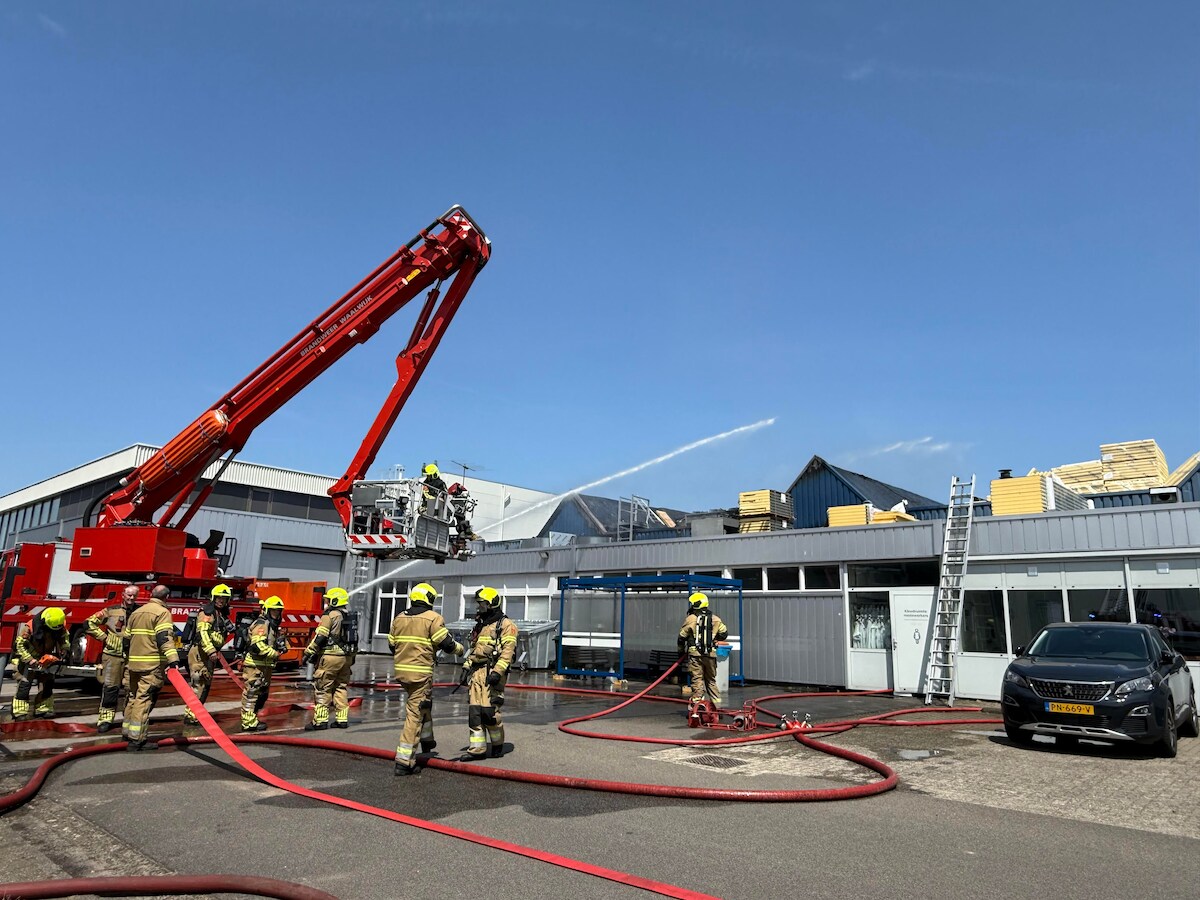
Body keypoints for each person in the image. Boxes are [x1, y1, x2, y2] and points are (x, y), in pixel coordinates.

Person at [387, 582, 463, 776]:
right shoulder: (433, 618)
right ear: (429, 599)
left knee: (423, 705)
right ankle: (404, 762)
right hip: (420, 674)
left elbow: (391, 645)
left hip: (401, 673)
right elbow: (446, 643)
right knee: (414, 713)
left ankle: (427, 740)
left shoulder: (399, 618)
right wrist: (460, 649)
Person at [459, 586, 518, 762]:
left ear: (492, 604)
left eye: (482, 604)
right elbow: (474, 650)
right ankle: (477, 749)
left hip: (492, 672)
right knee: (475, 713)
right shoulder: (481, 625)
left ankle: (497, 744)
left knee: (489, 712)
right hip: (477, 673)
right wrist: (465, 668)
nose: (479, 608)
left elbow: (507, 652)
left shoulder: (506, 625)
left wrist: (497, 672)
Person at [122, 585, 182, 750]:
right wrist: (173, 660)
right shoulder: (162, 613)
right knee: (144, 700)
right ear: (166, 597)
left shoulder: (136, 612)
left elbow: (126, 639)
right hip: (151, 665)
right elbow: (164, 638)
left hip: (133, 663)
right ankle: (137, 740)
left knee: (133, 697)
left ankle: (127, 733)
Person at [86, 585, 140, 732]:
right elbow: (89, 623)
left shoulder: (140, 612)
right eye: (128, 595)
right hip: (112, 656)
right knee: (110, 688)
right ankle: (105, 719)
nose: (131, 598)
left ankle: (128, 718)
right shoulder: (110, 611)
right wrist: (103, 637)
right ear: (123, 595)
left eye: (134, 595)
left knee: (132, 689)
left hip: (132, 656)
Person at [302, 587, 357, 730]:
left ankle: (320, 721)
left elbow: (321, 636)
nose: (326, 603)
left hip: (330, 658)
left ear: (334, 600)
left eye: (328, 600)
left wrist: (308, 652)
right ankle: (342, 719)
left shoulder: (330, 615)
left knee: (323, 688)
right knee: (341, 687)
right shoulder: (349, 616)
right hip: (346, 658)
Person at [181, 583, 234, 725]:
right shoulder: (207, 613)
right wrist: (211, 650)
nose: (221, 601)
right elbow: (202, 633)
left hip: (209, 653)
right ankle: (191, 716)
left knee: (205, 684)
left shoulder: (220, 614)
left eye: (224, 598)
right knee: (199, 683)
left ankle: (195, 713)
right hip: (201, 652)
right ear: (213, 597)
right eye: (219, 598)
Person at [12, 608, 69, 721]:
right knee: (24, 685)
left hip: (47, 658)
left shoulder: (59, 624)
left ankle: (44, 709)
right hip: (29, 658)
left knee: (47, 685)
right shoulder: (29, 627)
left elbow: (64, 639)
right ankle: (20, 712)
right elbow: (19, 645)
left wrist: (64, 649)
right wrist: (30, 659)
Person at [240, 595, 286, 733]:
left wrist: (282, 645)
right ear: (267, 610)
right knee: (252, 693)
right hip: (255, 665)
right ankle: (248, 723)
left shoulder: (273, 626)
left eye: (278, 611)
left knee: (262, 695)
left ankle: (252, 718)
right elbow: (257, 645)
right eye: (273, 611)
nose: (276, 613)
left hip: (265, 666)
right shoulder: (262, 623)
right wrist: (274, 653)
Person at [677, 592, 728, 707]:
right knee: (711, 681)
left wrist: (680, 653)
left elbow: (681, 637)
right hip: (711, 655)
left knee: (697, 680)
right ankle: (717, 708)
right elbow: (724, 634)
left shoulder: (690, 619)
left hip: (695, 655)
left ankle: (697, 708)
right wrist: (714, 639)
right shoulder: (716, 619)